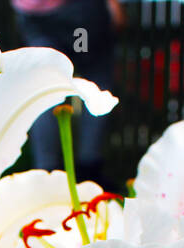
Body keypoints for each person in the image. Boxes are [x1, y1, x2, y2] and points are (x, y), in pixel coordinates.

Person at [12, 0, 124, 183]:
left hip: (32, 13)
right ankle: (89, 169)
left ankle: (46, 173)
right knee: (93, 73)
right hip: (77, 17)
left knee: (45, 85)